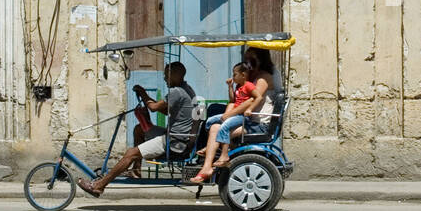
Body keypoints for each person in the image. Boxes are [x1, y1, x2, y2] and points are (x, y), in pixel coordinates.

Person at [78, 61, 196, 197]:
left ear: (175, 75)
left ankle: (99, 186)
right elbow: (165, 111)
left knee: (131, 153)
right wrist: (146, 100)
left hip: (174, 140)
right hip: (177, 135)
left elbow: (154, 108)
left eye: (166, 75)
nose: (164, 78)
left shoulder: (177, 92)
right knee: (139, 129)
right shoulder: (187, 89)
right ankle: (136, 170)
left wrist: (143, 93)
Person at [190, 46, 278, 183]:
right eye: (246, 60)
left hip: (258, 124)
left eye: (251, 60)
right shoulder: (249, 79)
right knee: (214, 124)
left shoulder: (263, 78)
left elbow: (252, 100)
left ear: (260, 60)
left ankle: (219, 156)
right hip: (249, 121)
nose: (248, 63)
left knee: (219, 128)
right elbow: (236, 100)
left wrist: (228, 115)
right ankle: (207, 166)